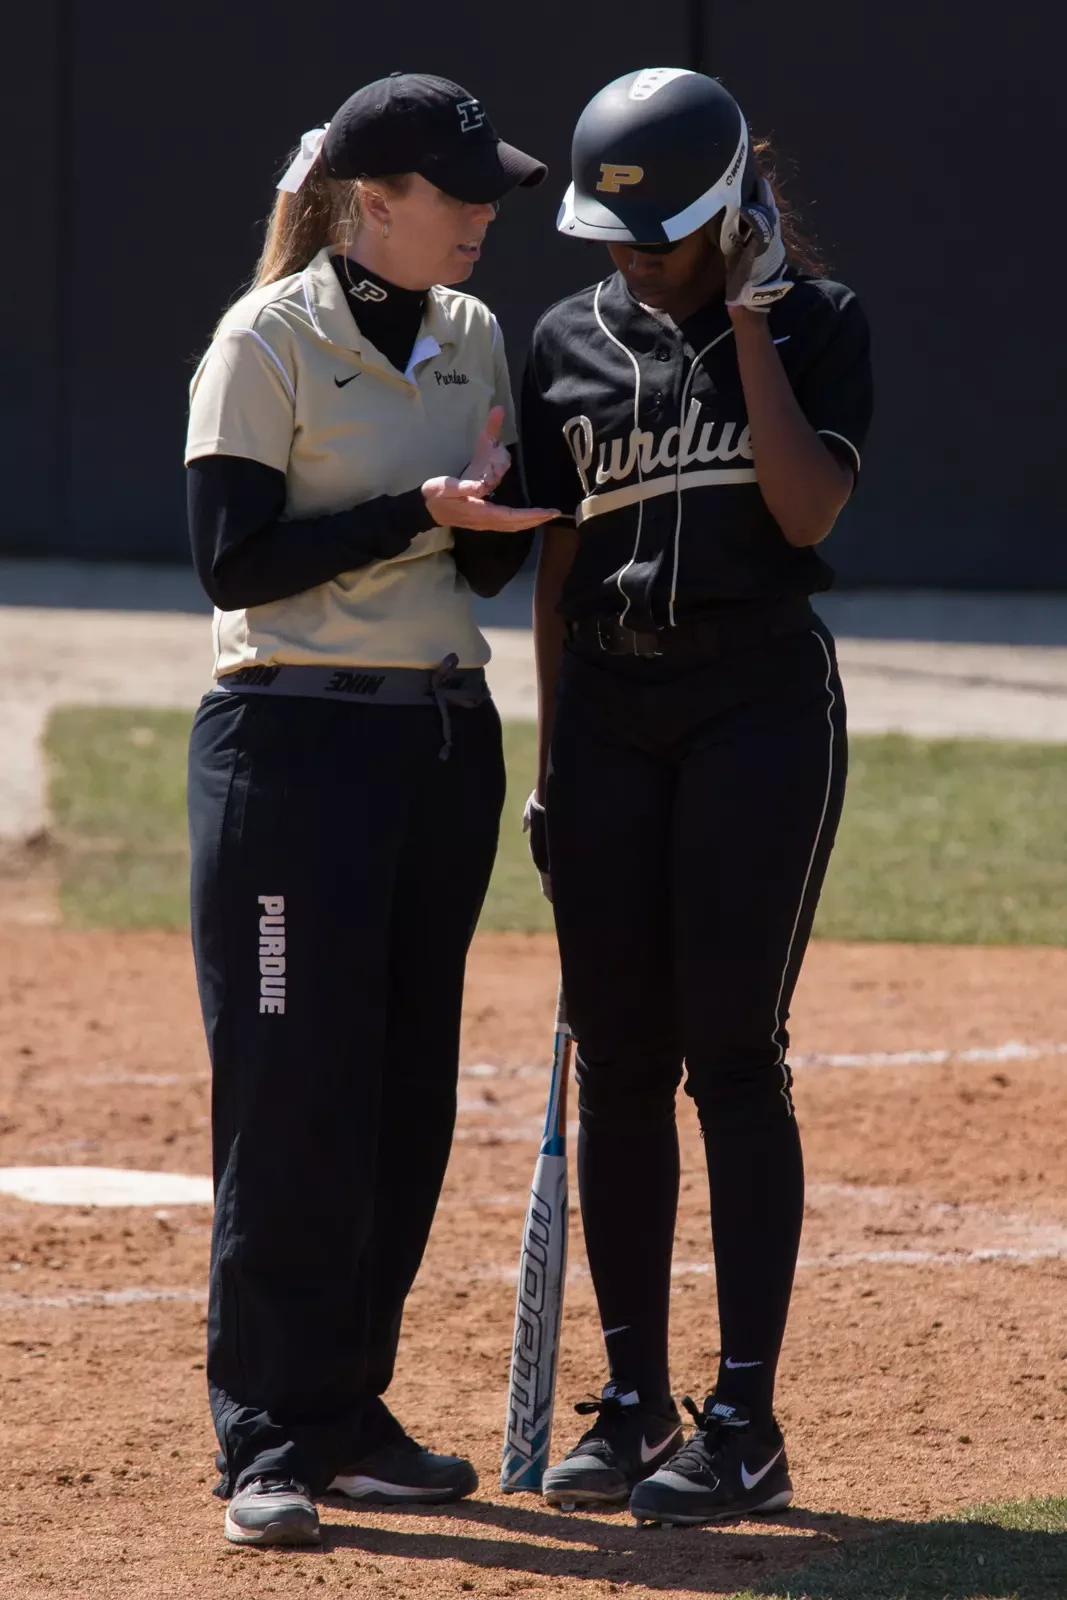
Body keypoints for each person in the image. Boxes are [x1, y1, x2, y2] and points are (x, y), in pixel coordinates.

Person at [184, 72, 555, 1548]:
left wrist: (491, 521)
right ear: (369, 200)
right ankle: (267, 1438)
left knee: (401, 1099)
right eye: (455, 196)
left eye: (487, 197)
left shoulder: (473, 338)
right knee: (292, 1098)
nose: (481, 219)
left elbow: (475, 577)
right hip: (289, 749)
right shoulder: (263, 336)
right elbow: (230, 560)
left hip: (440, 749)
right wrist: (420, 515)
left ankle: (346, 1408)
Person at [521, 67, 873, 1525]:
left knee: (729, 1051)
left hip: (755, 708)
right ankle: (628, 1401)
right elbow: (550, 569)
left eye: (661, 236)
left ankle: (741, 1417)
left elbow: (804, 508)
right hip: (604, 713)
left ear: (727, 215)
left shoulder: (816, 324)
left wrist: (744, 311)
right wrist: (545, 762)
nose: (628, 259)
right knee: (616, 1058)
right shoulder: (557, 340)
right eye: (612, 237)